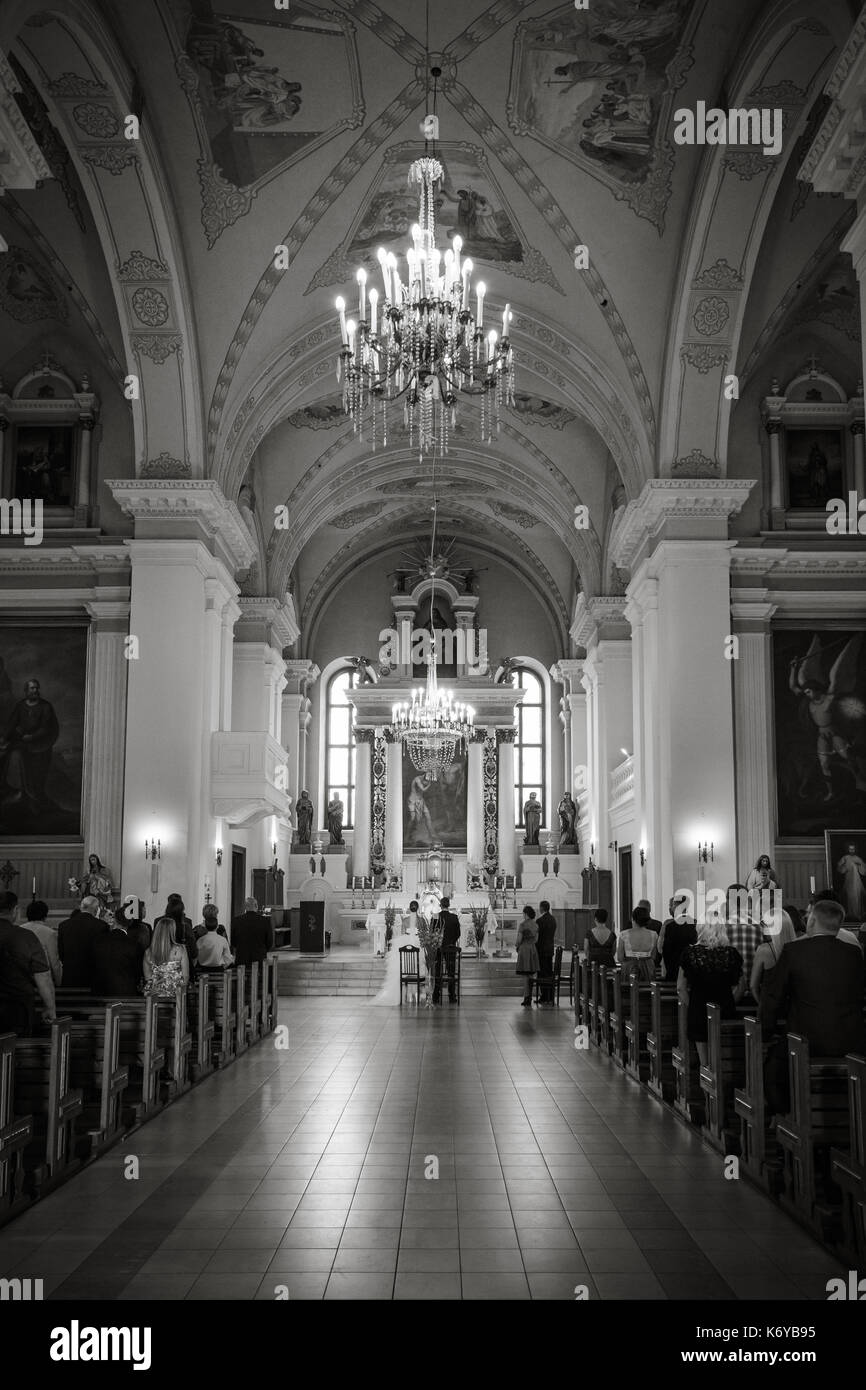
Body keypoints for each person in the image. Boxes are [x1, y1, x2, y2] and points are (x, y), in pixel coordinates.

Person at [759, 898, 866, 1059]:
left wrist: (766, 1032)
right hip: (850, 1041)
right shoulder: (853, 953)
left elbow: (774, 995)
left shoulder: (793, 951)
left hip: (804, 1041)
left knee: (773, 1074)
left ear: (812, 921)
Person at [677, 921, 744, 1067]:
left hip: (698, 1010)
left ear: (700, 931)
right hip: (725, 1009)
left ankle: (707, 1088)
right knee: (724, 1057)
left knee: (706, 1063)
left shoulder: (690, 953)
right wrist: (730, 1002)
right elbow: (741, 986)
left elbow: (681, 988)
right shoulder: (731, 953)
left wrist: (694, 1006)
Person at [0, 678, 60, 814]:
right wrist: (4, 738)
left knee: (35, 773)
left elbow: (46, 728)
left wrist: (31, 737)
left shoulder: (46, 707)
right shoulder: (21, 705)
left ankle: (33, 798)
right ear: (26, 691)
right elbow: (12, 723)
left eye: (36, 688)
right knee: (11, 755)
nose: (35, 691)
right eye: (32, 688)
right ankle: (17, 791)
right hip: (23, 742)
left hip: (40, 746)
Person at [0, 891, 56, 1033]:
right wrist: (50, 1007)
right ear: (16, 910)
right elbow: (43, 977)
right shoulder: (26, 937)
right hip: (18, 1004)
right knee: (17, 1049)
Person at [91, 907, 146, 996]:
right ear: (130, 923)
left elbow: (92, 964)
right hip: (125, 992)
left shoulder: (98, 940)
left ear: (115, 920)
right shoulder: (134, 945)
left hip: (100, 992)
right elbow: (137, 972)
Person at [749, 909, 798, 1004]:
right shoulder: (798, 948)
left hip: (769, 1008)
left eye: (764, 925)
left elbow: (753, 986)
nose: (762, 929)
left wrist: (762, 1006)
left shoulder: (764, 949)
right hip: (793, 1008)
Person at [58, 894, 106, 988]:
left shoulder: (64, 925)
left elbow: (61, 952)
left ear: (81, 907)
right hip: (92, 976)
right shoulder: (101, 926)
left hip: (70, 975)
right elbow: (103, 954)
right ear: (96, 909)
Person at [143, 915, 189, 997]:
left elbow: (148, 979)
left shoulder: (148, 952)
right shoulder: (180, 949)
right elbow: (185, 977)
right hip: (175, 995)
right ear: (172, 931)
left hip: (155, 997)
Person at [657, 895, 697, 981]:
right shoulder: (696, 923)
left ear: (675, 906)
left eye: (670, 905)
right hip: (692, 969)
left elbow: (661, 948)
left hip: (673, 969)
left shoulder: (668, 925)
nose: (669, 908)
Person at [22, 899, 62, 985]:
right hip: (43, 979)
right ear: (45, 915)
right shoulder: (49, 933)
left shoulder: (20, 929)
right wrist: (59, 981)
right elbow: (54, 961)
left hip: (22, 978)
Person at [616, 905, 658, 982]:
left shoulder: (623, 934)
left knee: (629, 991)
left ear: (633, 919)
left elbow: (620, 957)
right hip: (648, 967)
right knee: (648, 991)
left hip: (629, 967)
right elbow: (653, 956)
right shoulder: (654, 934)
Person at [230, 896, 274, 969]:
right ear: (256, 906)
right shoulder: (265, 921)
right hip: (259, 958)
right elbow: (269, 942)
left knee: (241, 978)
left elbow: (233, 942)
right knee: (260, 978)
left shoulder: (236, 921)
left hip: (241, 959)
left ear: (245, 907)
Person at [432, 896, 461, 1004]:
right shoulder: (454, 917)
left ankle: (436, 996)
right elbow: (458, 933)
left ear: (440, 905)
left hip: (439, 948)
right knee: (451, 972)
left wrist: (439, 942)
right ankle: (452, 996)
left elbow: (432, 932)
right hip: (451, 948)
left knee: (438, 971)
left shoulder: (435, 916)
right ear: (448, 905)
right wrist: (451, 943)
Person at [164, 894, 197, 976]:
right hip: (182, 967)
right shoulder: (185, 926)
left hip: (164, 966)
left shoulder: (161, 924)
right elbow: (193, 952)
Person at [516, 905, 540, 1008]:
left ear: (526, 914)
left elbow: (519, 939)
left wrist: (517, 946)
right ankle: (529, 996)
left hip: (524, 950)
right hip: (533, 950)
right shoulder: (535, 925)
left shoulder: (523, 925)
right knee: (531, 974)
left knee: (525, 975)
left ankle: (526, 997)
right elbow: (536, 940)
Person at [836, 843, 866, 920]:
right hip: (849, 880)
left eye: (853, 849)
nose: (851, 850)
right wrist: (843, 866)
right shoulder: (845, 858)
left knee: (857, 896)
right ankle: (851, 912)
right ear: (848, 850)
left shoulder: (858, 858)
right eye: (850, 849)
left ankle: (857, 913)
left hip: (857, 881)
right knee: (849, 896)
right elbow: (840, 868)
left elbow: (863, 871)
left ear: (855, 850)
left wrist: (859, 865)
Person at [536, 899, 557, 1004]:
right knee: (549, 973)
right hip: (550, 949)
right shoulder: (553, 919)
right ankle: (550, 996)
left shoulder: (539, 921)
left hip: (541, 950)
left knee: (542, 974)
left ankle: (544, 996)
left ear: (541, 908)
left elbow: (538, 937)